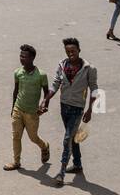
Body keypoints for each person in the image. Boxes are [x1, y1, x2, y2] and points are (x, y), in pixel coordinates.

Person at [40, 38, 98, 186]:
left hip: (78, 109)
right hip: (64, 107)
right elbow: (55, 85)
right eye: (68, 51)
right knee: (72, 137)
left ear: (79, 50)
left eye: (73, 50)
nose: (70, 53)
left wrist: (91, 109)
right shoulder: (62, 65)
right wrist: (46, 99)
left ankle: (61, 172)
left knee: (67, 139)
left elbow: (95, 90)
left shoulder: (88, 68)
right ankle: (77, 164)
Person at [4, 44, 50, 171]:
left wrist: (45, 106)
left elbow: (46, 93)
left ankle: (44, 146)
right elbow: (16, 91)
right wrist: (13, 108)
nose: (21, 58)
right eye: (20, 56)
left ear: (32, 58)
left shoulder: (41, 75)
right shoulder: (18, 73)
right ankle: (16, 162)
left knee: (33, 137)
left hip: (32, 113)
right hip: (18, 109)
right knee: (16, 136)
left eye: (24, 56)